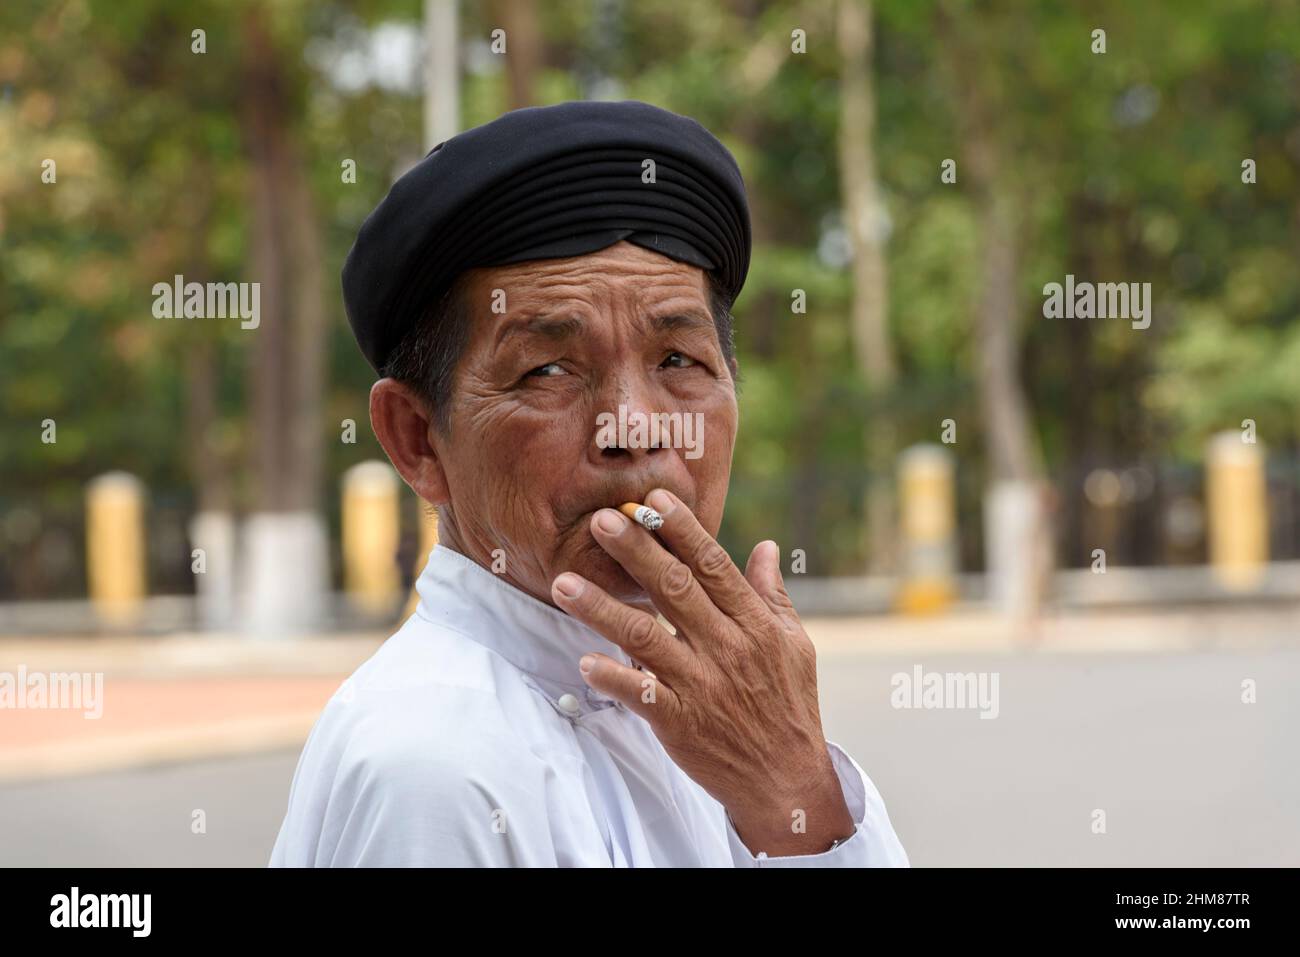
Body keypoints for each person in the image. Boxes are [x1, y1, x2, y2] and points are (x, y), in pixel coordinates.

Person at [269, 100, 908, 867]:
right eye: (548, 371)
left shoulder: (724, 723)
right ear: (418, 438)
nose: (635, 427)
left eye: (679, 362)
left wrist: (797, 796)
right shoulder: (435, 766)